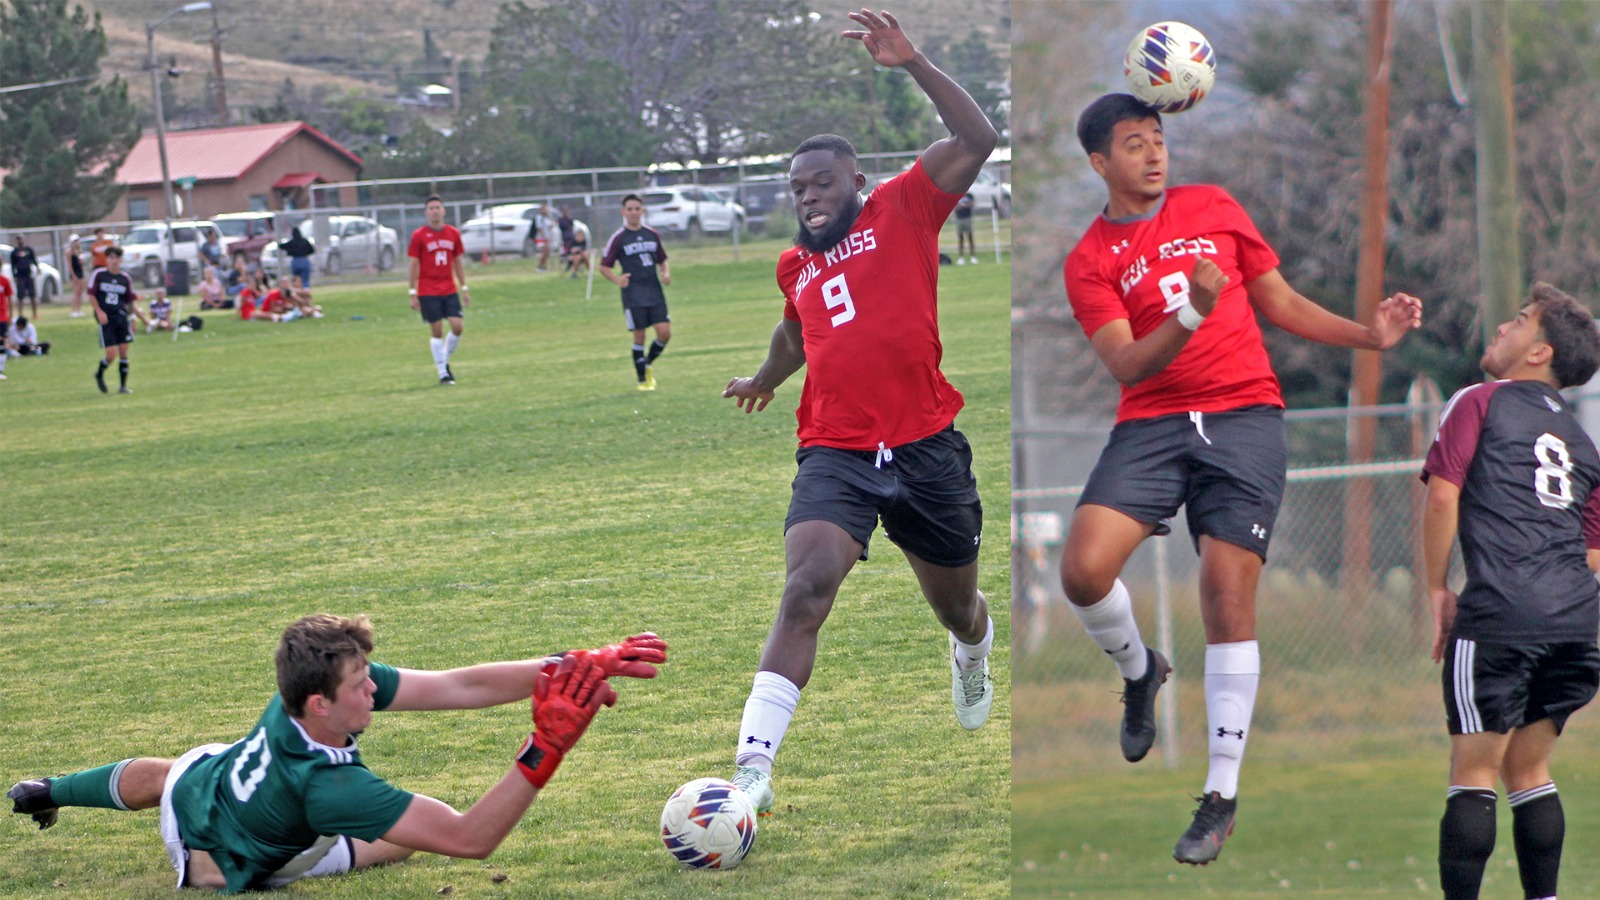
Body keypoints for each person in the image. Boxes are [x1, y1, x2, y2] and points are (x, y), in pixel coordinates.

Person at [1058, 92, 1424, 866]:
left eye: (1158, 138)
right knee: (1083, 570)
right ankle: (1140, 669)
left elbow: (1279, 301)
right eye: (1133, 143)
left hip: (1243, 416)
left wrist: (1370, 336)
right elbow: (1127, 361)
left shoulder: (1214, 206)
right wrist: (1189, 312)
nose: (1153, 153)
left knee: (1226, 595)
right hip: (1152, 423)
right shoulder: (1090, 258)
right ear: (1100, 163)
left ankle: (1220, 795)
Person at [717, 9, 998, 822]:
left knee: (955, 605)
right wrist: (765, 377)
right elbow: (796, 329)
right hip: (835, 451)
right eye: (798, 188)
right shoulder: (792, 264)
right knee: (806, 587)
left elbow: (977, 137)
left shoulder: (905, 208)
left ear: (856, 183)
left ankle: (973, 648)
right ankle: (750, 771)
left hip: (927, 449)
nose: (808, 198)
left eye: (822, 184)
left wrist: (911, 63)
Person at [7, 614, 667, 892]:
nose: (371, 693)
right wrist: (543, 748)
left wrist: (577, 660)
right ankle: (209, 870)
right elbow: (471, 839)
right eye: (360, 688)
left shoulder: (299, 690)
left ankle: (47, 789)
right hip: (243, 848)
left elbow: (458, 685)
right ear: (321, 705)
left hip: (207, 783)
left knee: (164, 774)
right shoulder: (330, 787)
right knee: (416, 833)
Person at [1421, 284, 1600, 900]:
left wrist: (1438, 589)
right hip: (1576, 624)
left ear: (1539, 352)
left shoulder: (1480, 401)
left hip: (1501, 614)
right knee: (1529, 771)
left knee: (1474, 774)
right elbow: (1593, 554)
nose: (1502, 324)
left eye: (1519, 320)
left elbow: (1444, 493)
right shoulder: (1583, 444)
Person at [599, 195, 671, 391]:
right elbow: (604, 266)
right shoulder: (619, 238)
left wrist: (665, 272)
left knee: (665, 333)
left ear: (642, 211)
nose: (633, 212)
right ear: (623, 212)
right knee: (639, 335)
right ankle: (642, 379)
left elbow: (662, 259)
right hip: (633, 293)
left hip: (654, 291)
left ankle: (646, 363)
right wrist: (617, 280)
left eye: (637, 208)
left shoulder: (651, 234)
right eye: (629, 209)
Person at [408, 195, 469, 385]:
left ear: (444, 211)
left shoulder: (453, 233)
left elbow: (458, 261)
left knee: (458, 326)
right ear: (427, 212)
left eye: (438, 207)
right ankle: (443, 372)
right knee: (437, 330)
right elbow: (413, 264)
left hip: (448, 287)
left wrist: (464, 287)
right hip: (428, 289)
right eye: (431, 208)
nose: (435, 211)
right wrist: (412, 292)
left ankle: (443, 359)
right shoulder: (419, 235)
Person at [89, 246, 146, 394]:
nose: (114, 261)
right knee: (111, 354)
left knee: (124, 350)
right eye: (111, 258)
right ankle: (99, 373)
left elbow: (130, 300)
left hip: (121, 316)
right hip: (106, 318)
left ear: (121, 260)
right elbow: (92, 295)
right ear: (107, 259)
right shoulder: (100, 275)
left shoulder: (124, 278)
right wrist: (99, 311)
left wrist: (133, 318)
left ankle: (123, 386)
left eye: (117, 258)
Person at [10, 234, 41, 320]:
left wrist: (38, 268)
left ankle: (35, 313)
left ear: (24, 239)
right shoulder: (14, 252)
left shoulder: (29, 250)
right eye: (18, 239)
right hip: (20, 276)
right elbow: (13, 265)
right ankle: (20, 314)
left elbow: (34, 260)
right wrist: (14, 276)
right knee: (20, 296)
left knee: (32, 295)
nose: (20, 241)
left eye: (21, 239)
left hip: (29, 275)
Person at [954, 192, 977, 264]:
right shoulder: (956, 194)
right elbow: (955, 206)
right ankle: (961, 257)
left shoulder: (969, 195)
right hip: (959, 219)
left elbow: (971, 203)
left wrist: (963, 206)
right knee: (960, 238)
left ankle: (972, 256)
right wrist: (963, 206)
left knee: (970, 237)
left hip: (967, 218)